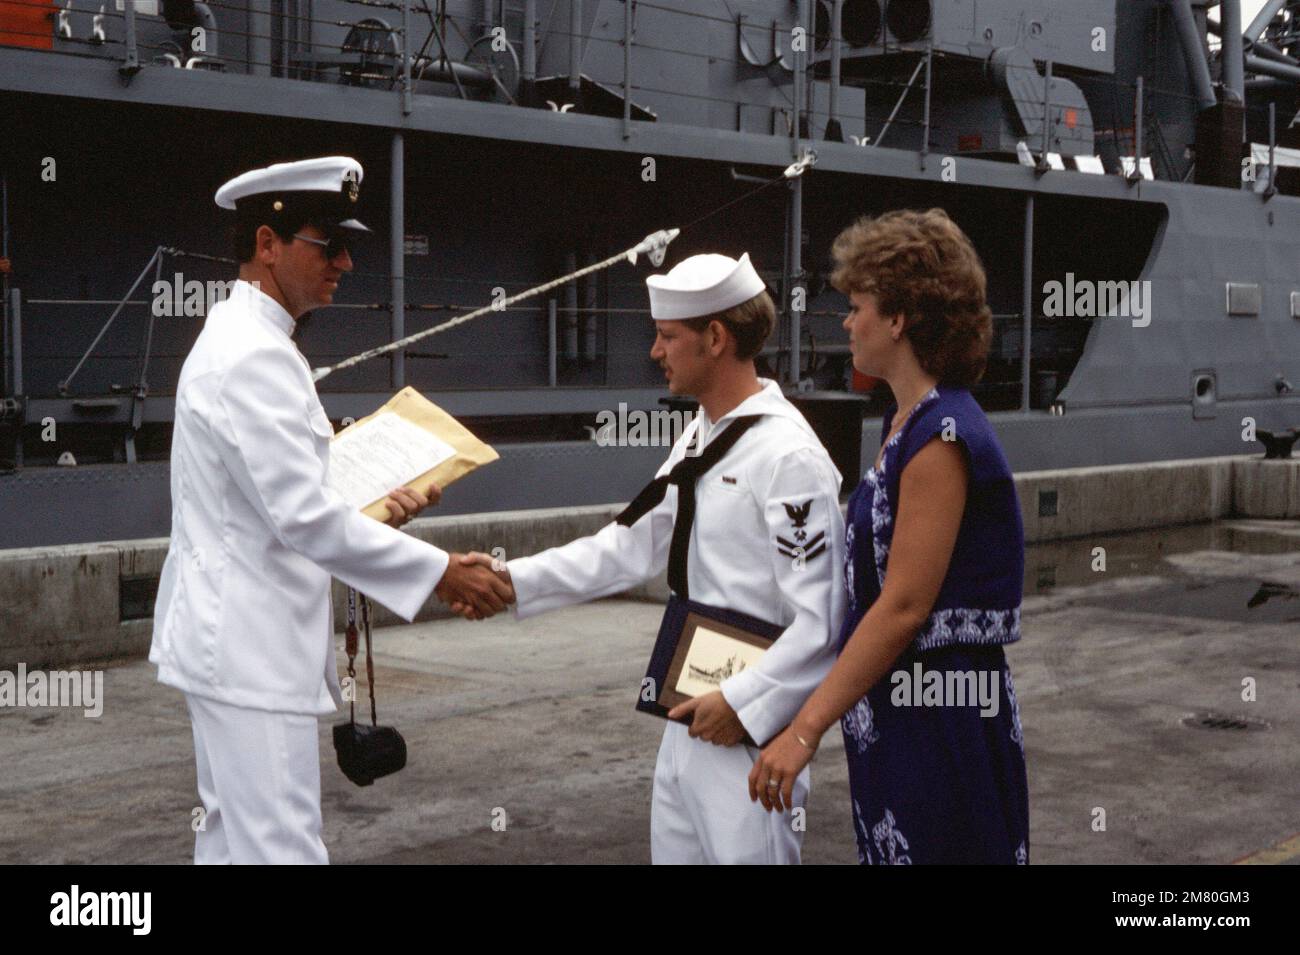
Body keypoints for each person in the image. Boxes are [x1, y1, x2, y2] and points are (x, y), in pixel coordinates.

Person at [149, 156, 512, 864]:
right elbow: (304, 518)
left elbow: (278, 501)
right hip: (252, 651)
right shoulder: (253, 356)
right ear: (267, 244)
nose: (345, 261)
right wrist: (441, 572)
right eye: (327, 244)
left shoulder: (249, 341)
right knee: (282, 850)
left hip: (232, 644)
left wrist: (369, 508)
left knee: (233, 849)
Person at [457, 252, 845, 864]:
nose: (655, 352)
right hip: (687, 715)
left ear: (715, 338)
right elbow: (630, 545)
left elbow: (822, 621)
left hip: (747, 732)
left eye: (668, 337)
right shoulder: (702, 435)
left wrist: (744, 704)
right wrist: (512, 580)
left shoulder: (786, 456)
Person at [748, 208, 1029, 865]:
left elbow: (904, 604)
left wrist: (804, 728)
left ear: (899, 317)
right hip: (900, 714)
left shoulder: (940, 436)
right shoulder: (907, 423)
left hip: (940, 716)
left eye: (858, 305)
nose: (847, 322)